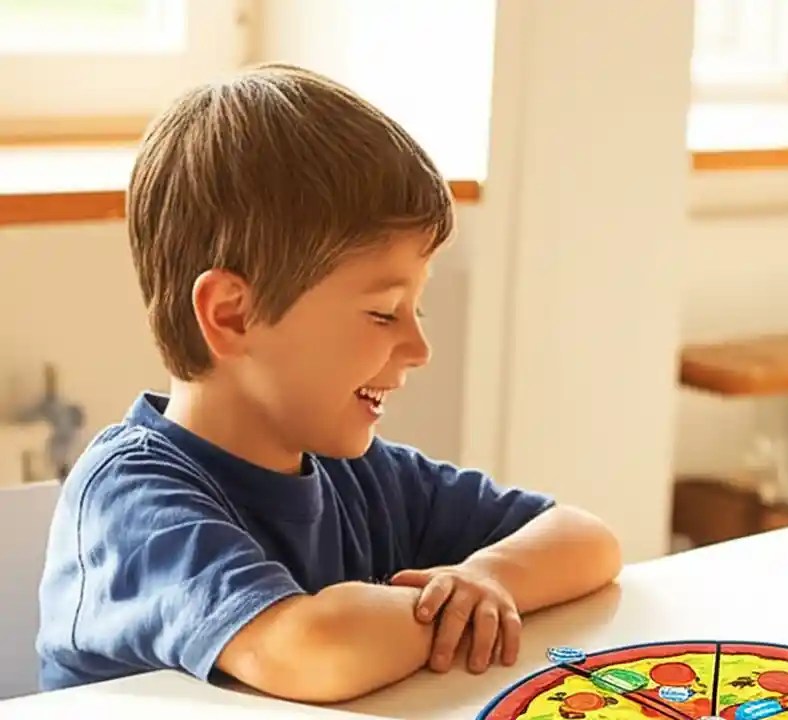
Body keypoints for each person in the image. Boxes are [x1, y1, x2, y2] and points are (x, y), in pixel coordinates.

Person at [35, 63, 622, 703]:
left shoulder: (363, 474)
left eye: (414, 310)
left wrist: (487, 577)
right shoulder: (130, 502)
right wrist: (451, 612)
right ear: (234, 315)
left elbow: (586, 539)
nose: (419, 348)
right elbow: (317, 650)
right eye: (382, 312)